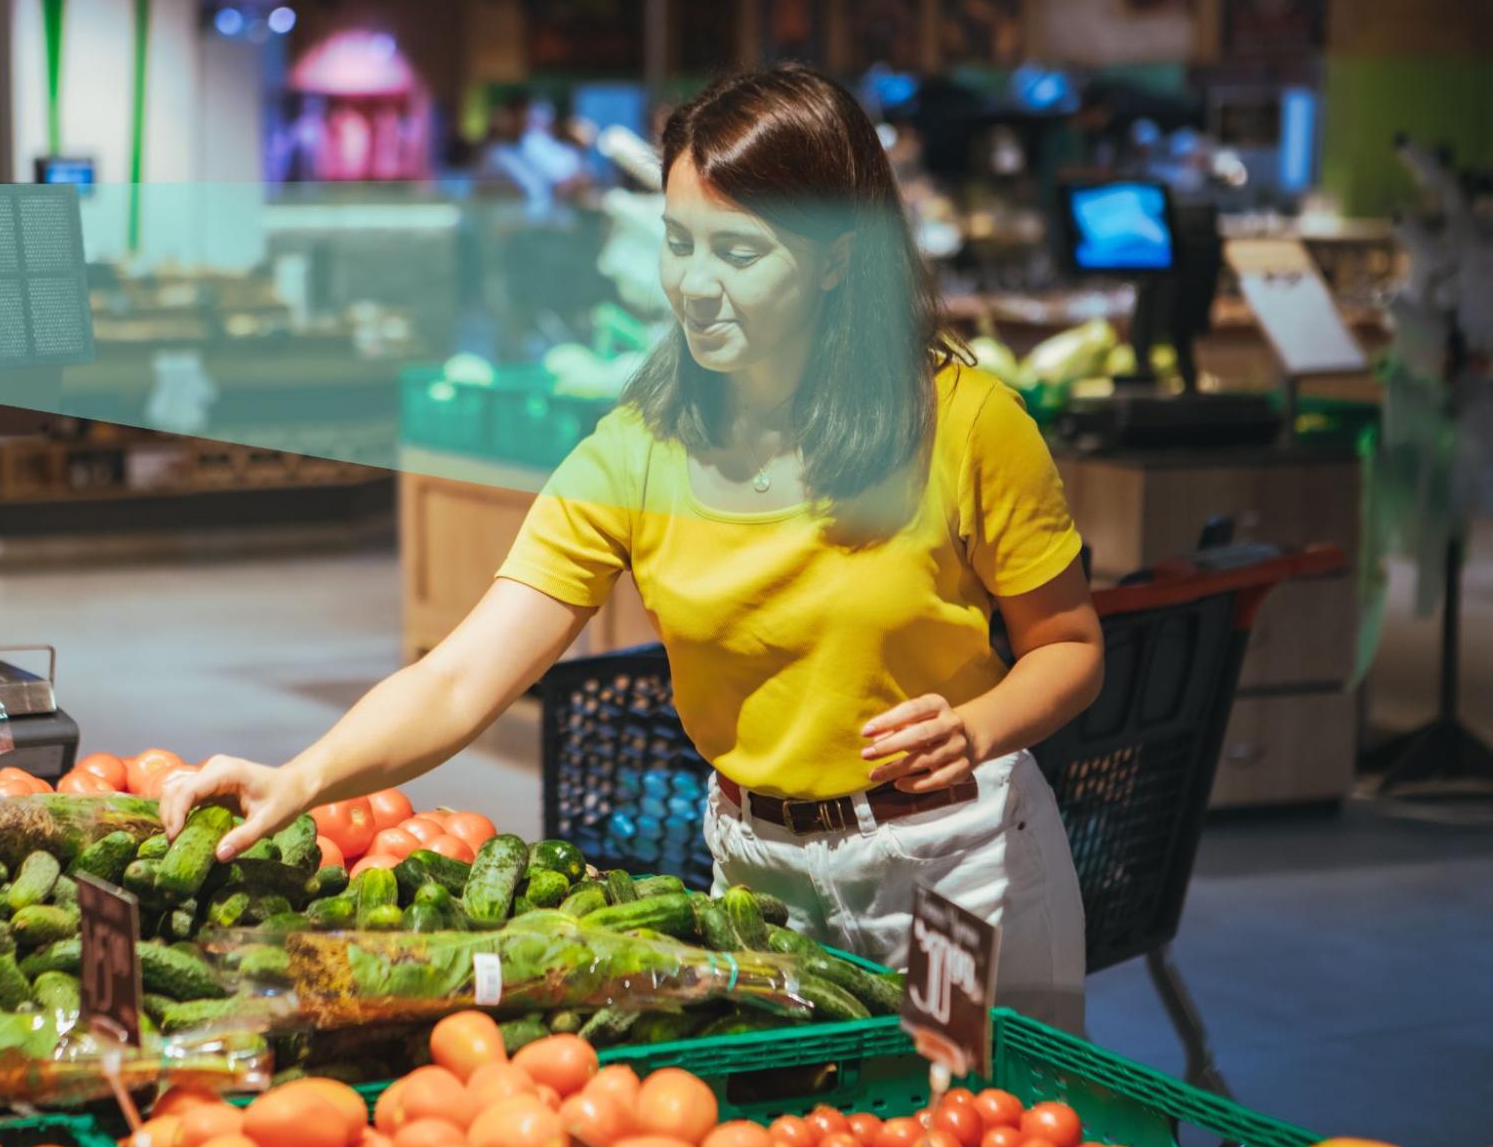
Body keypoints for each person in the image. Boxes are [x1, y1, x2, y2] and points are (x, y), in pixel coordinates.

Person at [161, 64, 1103, 1032]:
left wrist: (978, 729)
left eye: (738, 250)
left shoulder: (965, 423)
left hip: (951, 866)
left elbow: (1068, 647)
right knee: (809, 1143)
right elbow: (458, 678)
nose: (695, 284)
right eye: (678, 242)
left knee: (977, 1140)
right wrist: (300, 777)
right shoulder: (634, 451)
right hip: (758, 875)